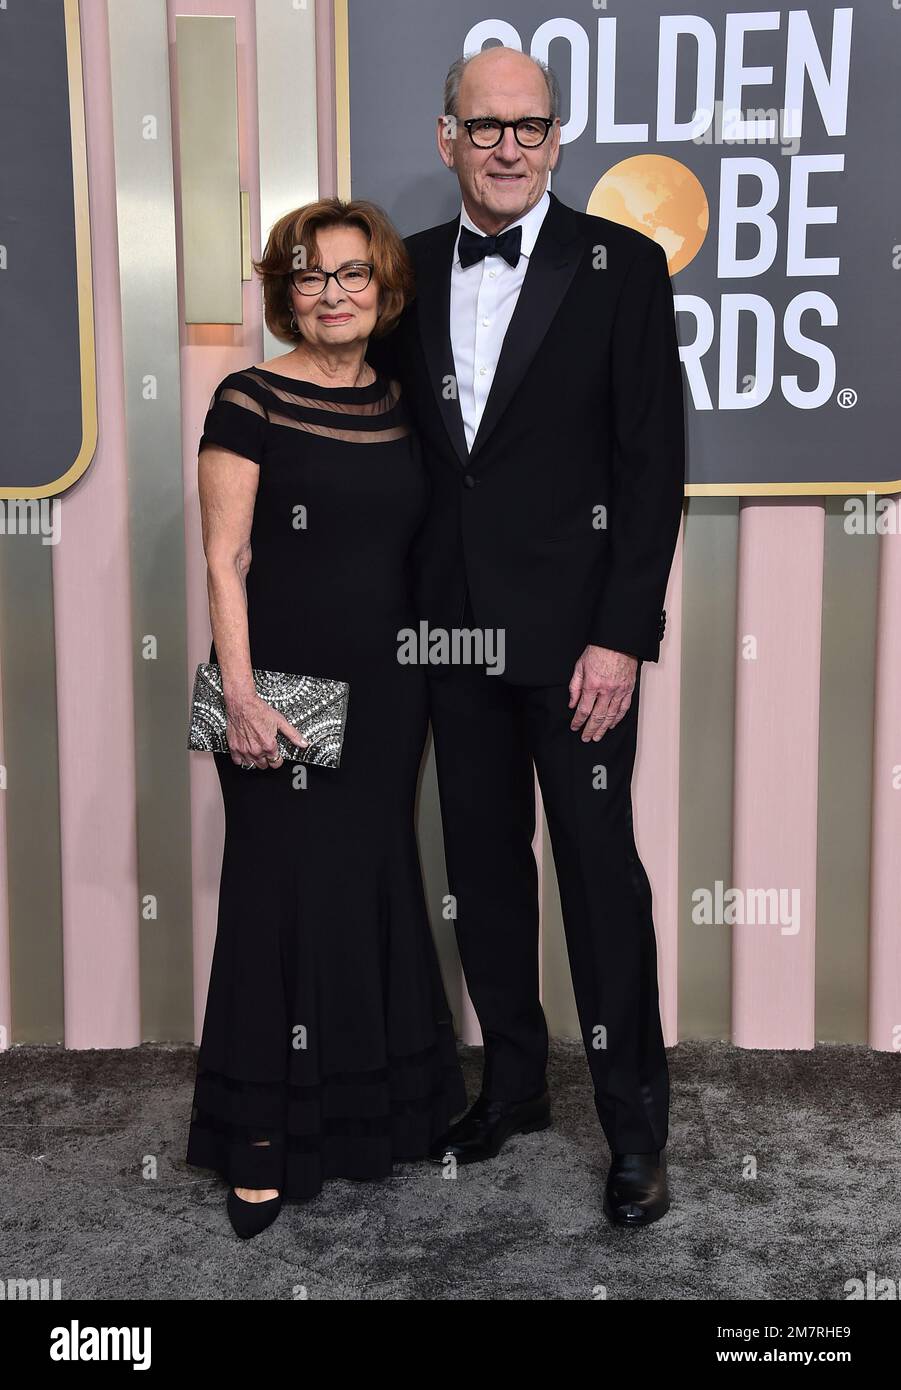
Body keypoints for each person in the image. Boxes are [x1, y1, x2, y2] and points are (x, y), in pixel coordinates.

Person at [368, 47, 685, 1227]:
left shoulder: (624, 267)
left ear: (558, 139)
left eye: (529, 125)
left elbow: (651, 470)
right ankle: (510, 1085)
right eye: (484, 125)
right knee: (484, 866)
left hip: (576, 640)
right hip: (448, 631)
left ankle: (636, 1128)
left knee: (600, 873)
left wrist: (620, 639)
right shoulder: (406, 273)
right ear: (448, 135)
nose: (508, 145)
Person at [185, 198, 467, 1238]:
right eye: (311, 276)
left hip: (391, 688)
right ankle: (257, 1143)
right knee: (275, 903)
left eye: (353, 275)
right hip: (280, 684)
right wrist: (245, 698)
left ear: (384, 289)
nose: (333, 294)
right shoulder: (248, 396)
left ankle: (373, 1117)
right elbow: (225, 558)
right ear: (284, 291)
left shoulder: (403, 404)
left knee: (369, 885)